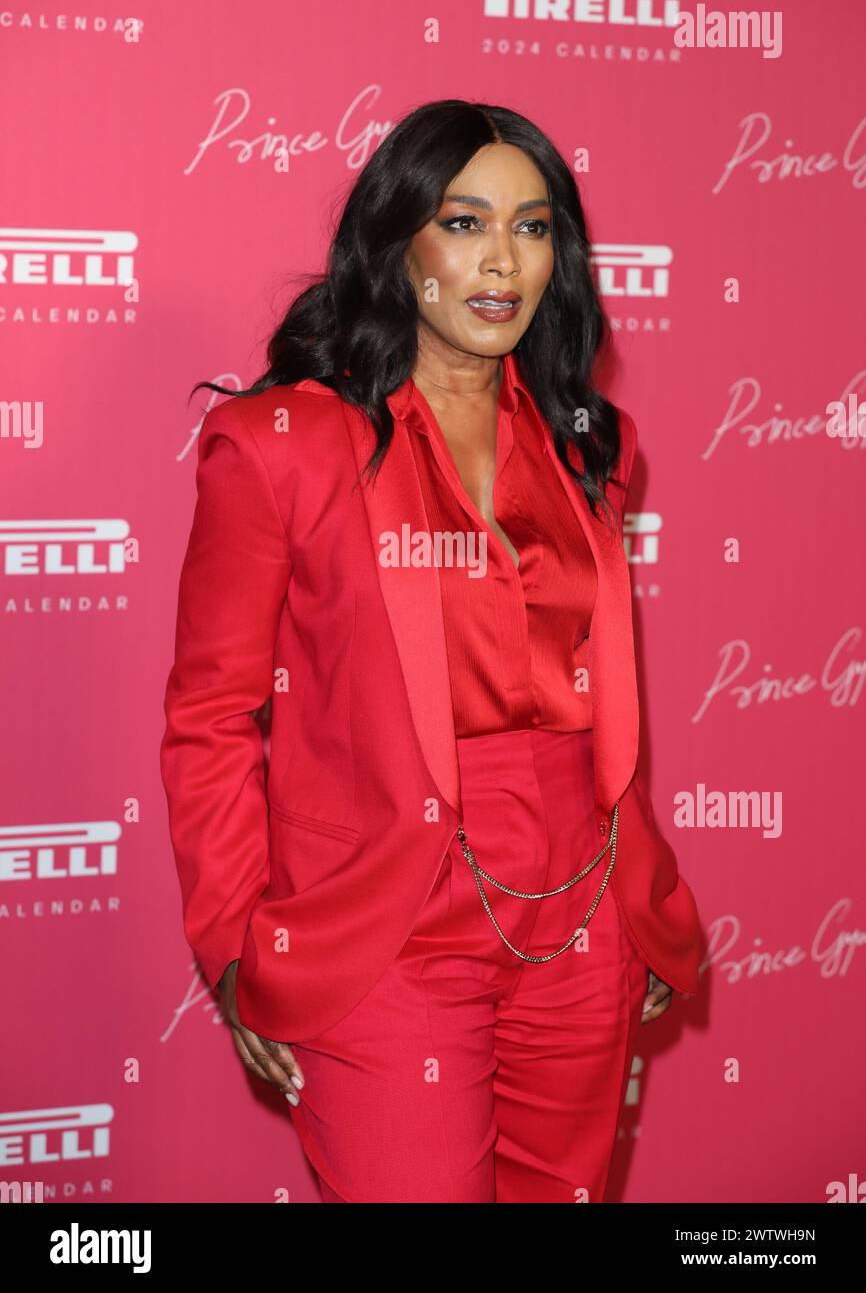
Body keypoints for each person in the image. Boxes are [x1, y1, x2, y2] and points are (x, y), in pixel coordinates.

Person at [160, 98, 706, 1204]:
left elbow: (596, 704)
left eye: (534, 225)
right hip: (382, 926)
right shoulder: (285, 447)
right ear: (395, 238)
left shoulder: (587, 442)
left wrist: (636, 896)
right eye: (463, 223)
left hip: (579, 915)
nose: (502, 259)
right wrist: (230, 941)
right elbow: (211, 717)